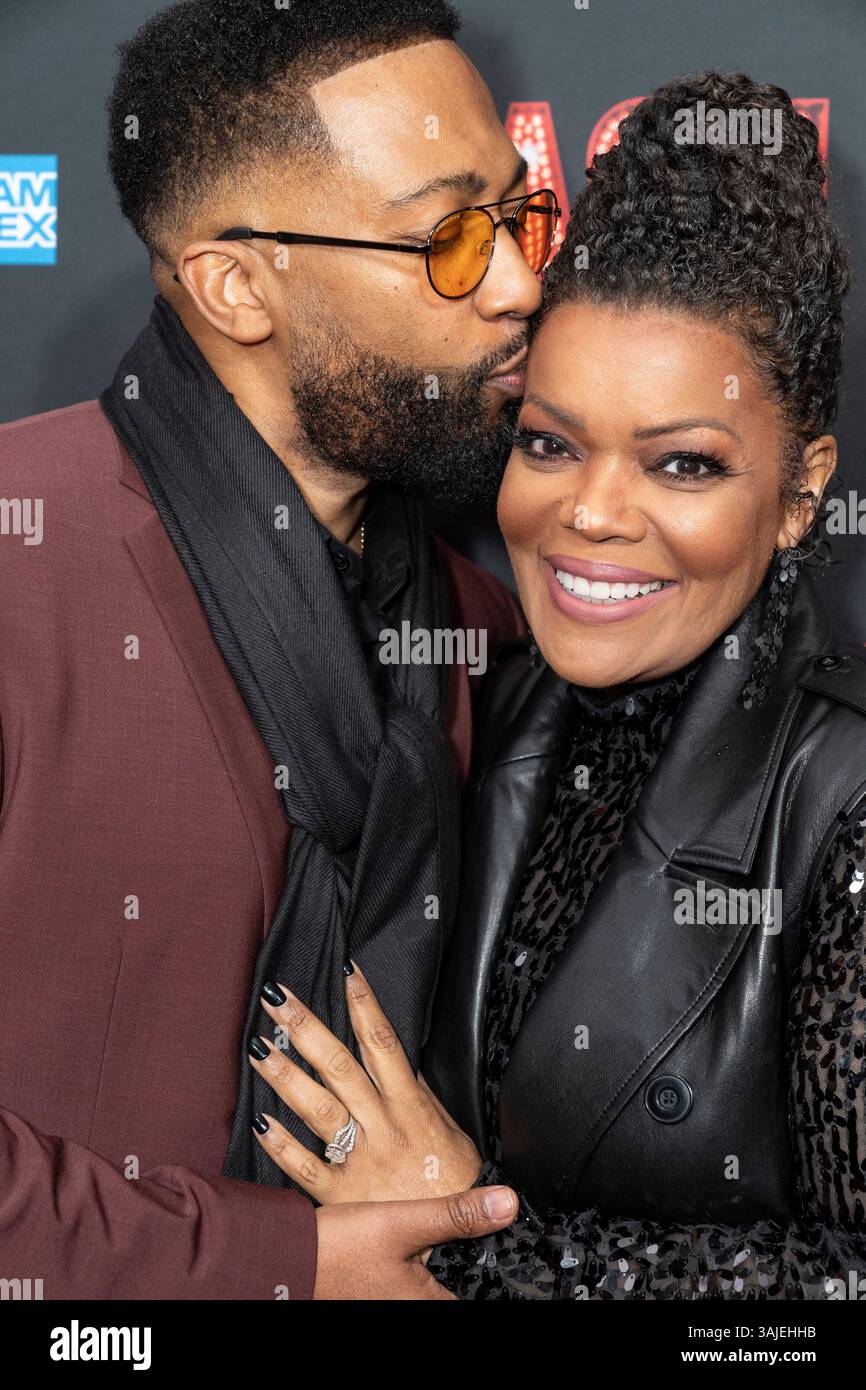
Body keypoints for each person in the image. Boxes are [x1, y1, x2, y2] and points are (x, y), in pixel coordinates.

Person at [242, 72, 866, 1299]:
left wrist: (479, 1249)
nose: (586, 512)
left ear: (799, 494)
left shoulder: (845, 805)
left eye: (681, 463)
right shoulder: (485, 706)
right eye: (548, 441)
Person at [0, 0, 548, 1300]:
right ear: (237, 283)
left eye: (518, 216)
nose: (522, 281)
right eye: (448, 239)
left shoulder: (480, 629)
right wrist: (279, 1264)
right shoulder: (18, 559)